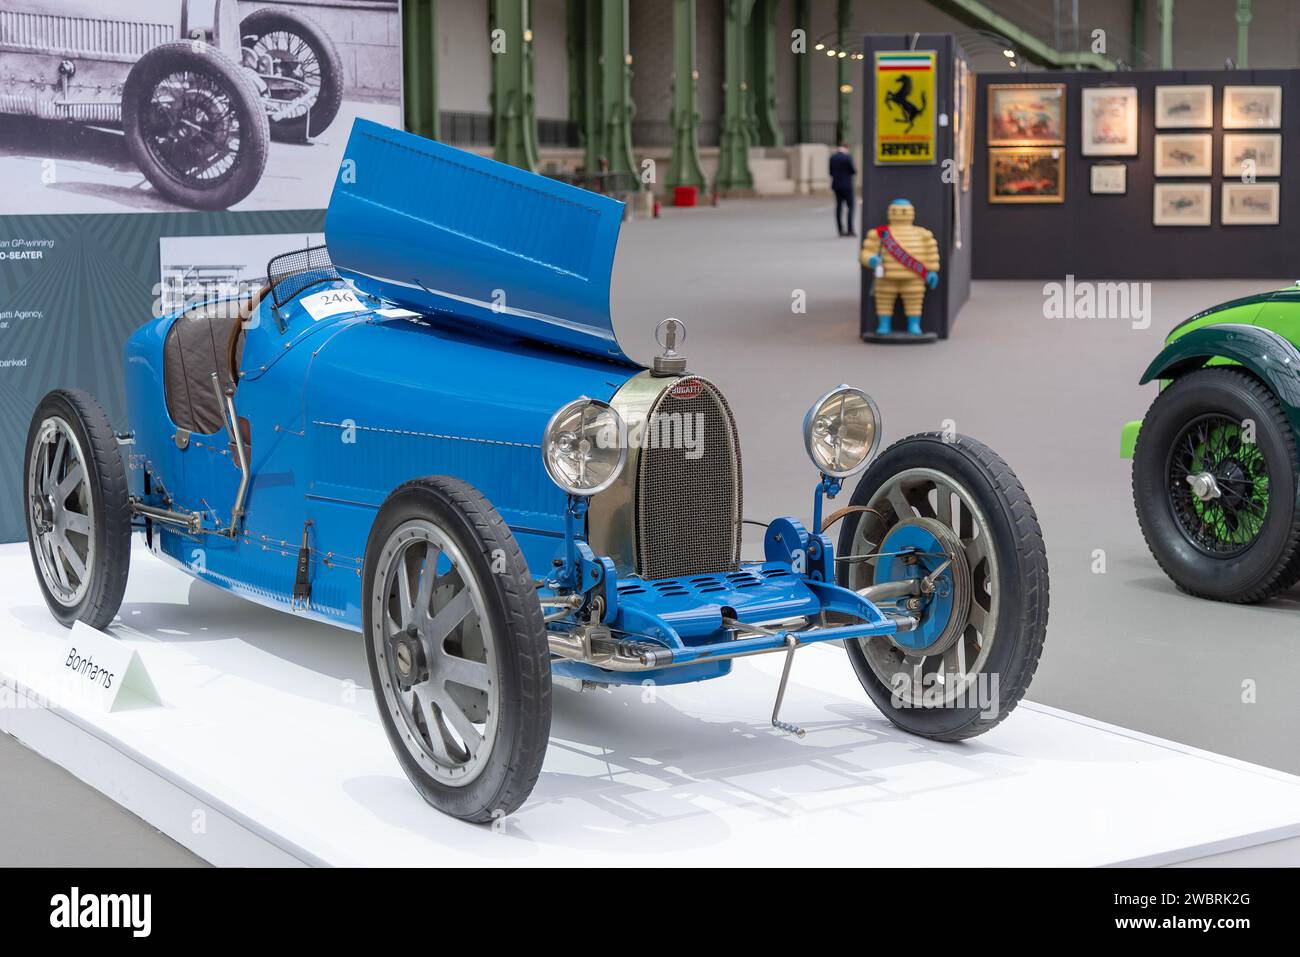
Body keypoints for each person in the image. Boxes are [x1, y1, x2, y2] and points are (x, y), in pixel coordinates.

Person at [828, 143, 857, 236]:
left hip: (836, 185)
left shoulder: (833, 157)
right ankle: (850, 230)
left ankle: (840, 230)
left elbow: (830, 172)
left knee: (839, 207)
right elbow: (853, 170)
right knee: (850, 207)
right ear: (846, 148)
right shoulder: (847, 157)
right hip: (847, 186)